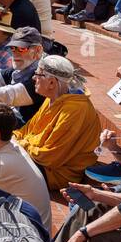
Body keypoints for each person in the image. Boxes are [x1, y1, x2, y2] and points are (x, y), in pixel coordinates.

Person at [13, 55, 101, 191]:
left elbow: (48, 157)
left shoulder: (74, 110)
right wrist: (14, 140)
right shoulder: (53, 98)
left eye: (37, 74)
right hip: (34, 155)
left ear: (52, 83)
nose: (33, 78)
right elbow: (26, 131)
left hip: (56, 173)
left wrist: (18, 143)